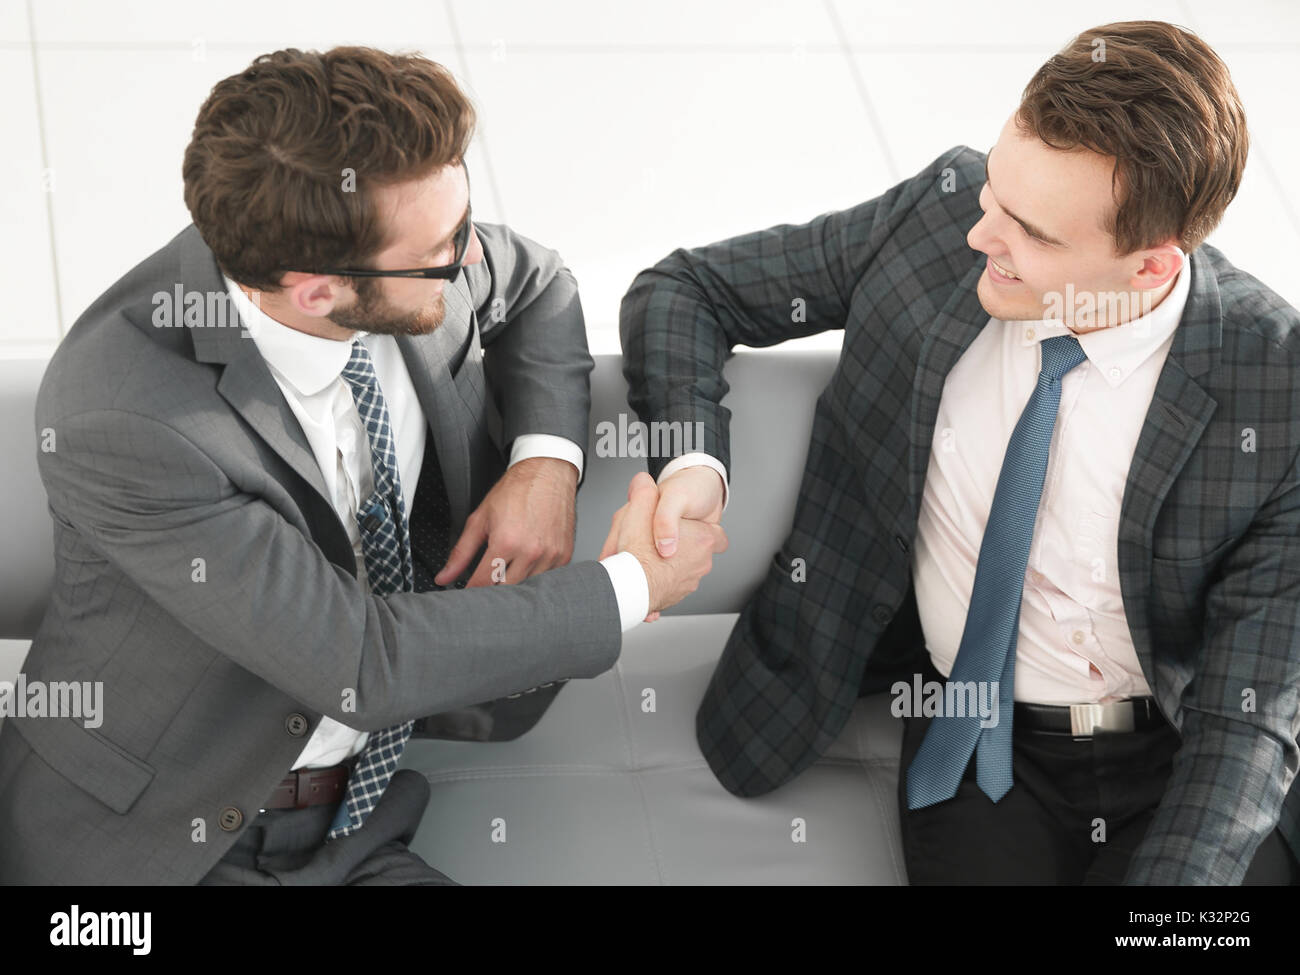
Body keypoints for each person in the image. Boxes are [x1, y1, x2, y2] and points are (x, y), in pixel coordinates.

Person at [0, 46, 726, 885]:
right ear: (316, 292)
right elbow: (361, 664)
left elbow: (539, 282)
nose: (467, 259)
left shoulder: (398, 250)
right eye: (443, 249)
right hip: (166, 844)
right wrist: (635, 582)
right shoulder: (126, 420)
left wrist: (546, 466)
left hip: (359, 826)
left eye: (463, 223)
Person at [618, 21, 1300, 884]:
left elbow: (1248, 720)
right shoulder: (945, 212)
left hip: (1178, 753)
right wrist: (694, 466)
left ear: (1151, 267)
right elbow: (687, 289)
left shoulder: (1276, 381)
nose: (982, 235)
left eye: (1032, 232)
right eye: (996, 192)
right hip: (969, 730)